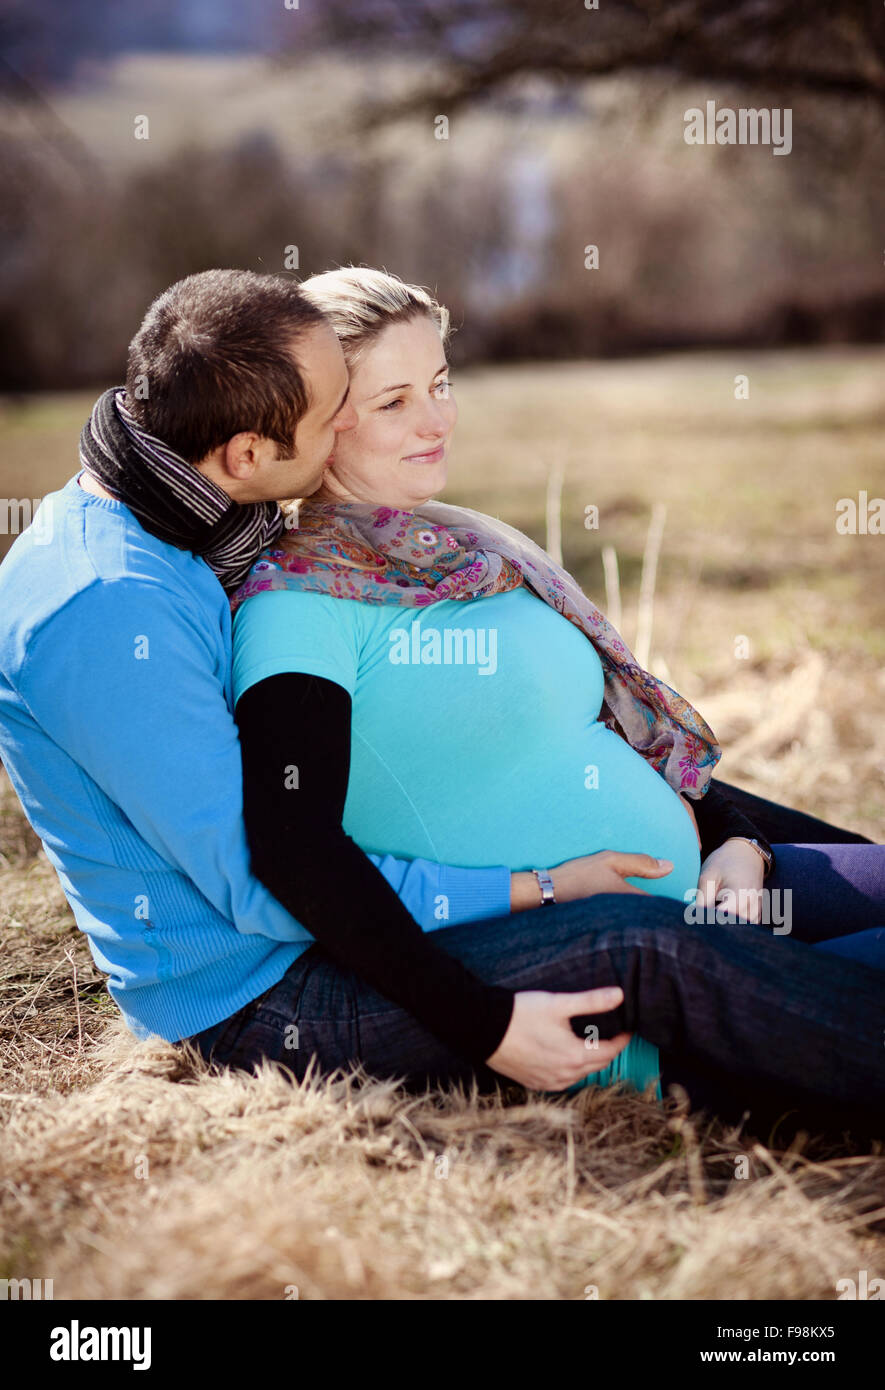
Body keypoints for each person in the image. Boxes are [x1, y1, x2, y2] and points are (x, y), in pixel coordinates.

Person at [190, 266, 884, 1131]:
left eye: (440, 385)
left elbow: (593, 739)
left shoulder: (464, 547)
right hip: (610, 965)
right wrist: (480, 1022)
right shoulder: (297, 609)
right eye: (395, 400)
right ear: (320, 424)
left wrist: (736, 845)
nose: (437, 419)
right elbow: (296, 845)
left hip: (717, 885)